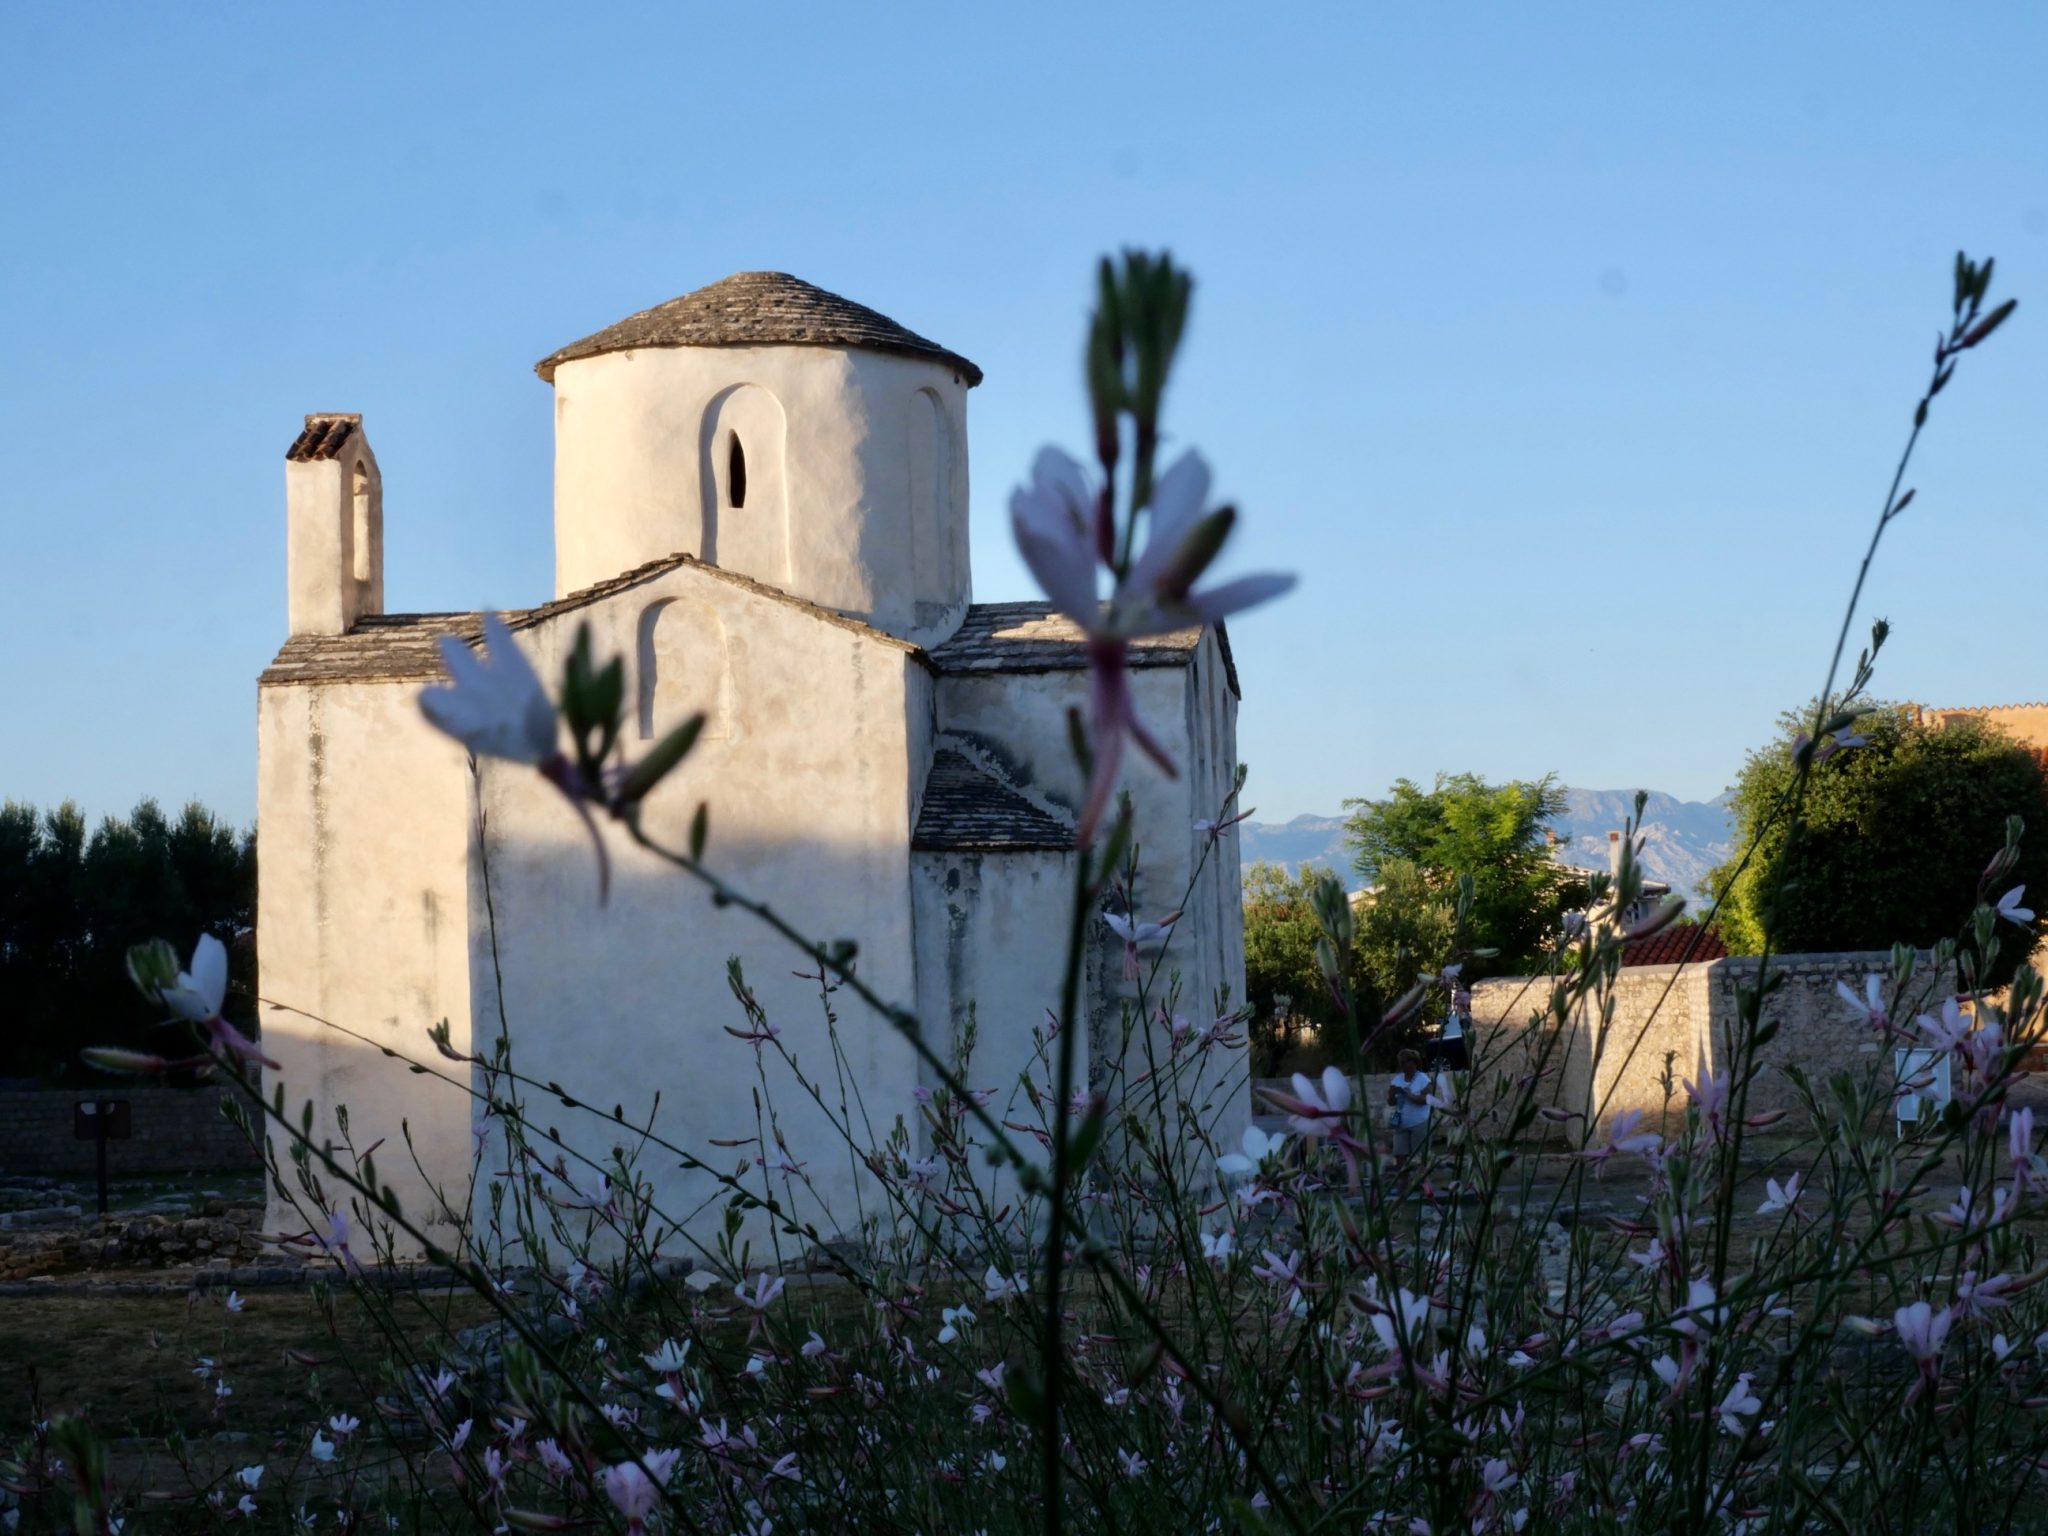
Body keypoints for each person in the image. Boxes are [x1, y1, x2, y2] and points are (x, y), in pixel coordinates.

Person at [1386, 1048, 1433, 1162]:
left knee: (1420, 1156)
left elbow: (1426, 1100)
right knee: (1399, 1155)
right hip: (1400, 1123)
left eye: (1404, 1061)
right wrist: (1391, 1096)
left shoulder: (1423, 1079)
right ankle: (1402, 1173)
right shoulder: (1397, 1079)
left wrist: (1408, 1095)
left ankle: (1421, 1173)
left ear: (1414, 1062)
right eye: (1400, 1062)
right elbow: (1391, 1103)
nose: (1402, 1064)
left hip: (1419, 1122)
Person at [1435, 986, 1472, 1072]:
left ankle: (1467, 1066)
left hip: (1462, 1039)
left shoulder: (1464, 1015)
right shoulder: (1453, 1015)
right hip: (1456, 1040)